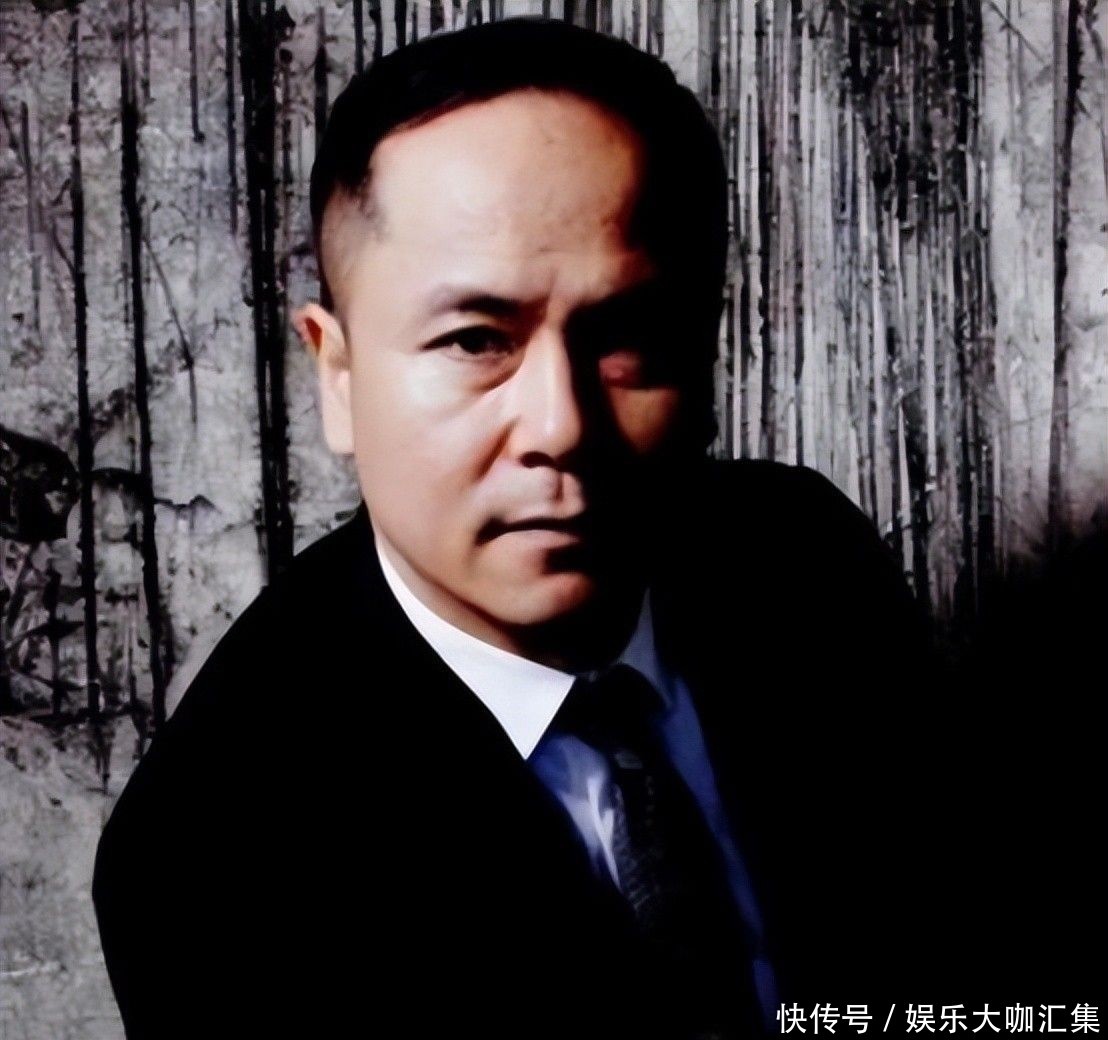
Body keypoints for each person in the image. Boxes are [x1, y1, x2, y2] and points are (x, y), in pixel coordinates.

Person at [92, 17, 965, 1040]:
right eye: (475, 340)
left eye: (627, 337)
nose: (560, 427)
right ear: (338, 374)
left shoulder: (797, 555)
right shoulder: (217, 856)